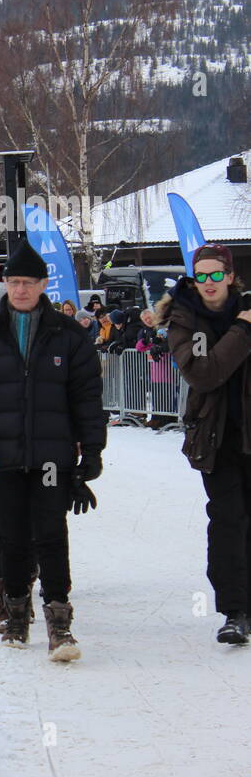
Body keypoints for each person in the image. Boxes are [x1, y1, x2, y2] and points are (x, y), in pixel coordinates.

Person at [0, 238, 105, 660]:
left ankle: (60, 622)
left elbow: (87, 398)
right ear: (5, 282)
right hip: (2, 459)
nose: (20, 290)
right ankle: (16, 614)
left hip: (52, 457)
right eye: (14, 281)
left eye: (28, 282)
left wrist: (91, 451)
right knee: (12, 537)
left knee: (52, 535)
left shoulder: (69, 336)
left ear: (42, 285)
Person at [158, 244, 251, 644]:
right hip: (217, 439)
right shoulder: (185, 319)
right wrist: (243, 330)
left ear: (230, 276)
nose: (209, 283)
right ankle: (236, 610)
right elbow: (205, 372)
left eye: (216, 275)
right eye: (202, 276)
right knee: (229, 521)